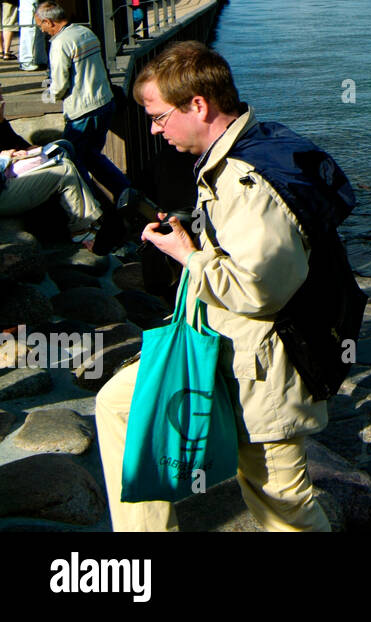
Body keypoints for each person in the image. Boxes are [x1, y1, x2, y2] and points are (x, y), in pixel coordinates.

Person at [95, 41, 332, 531]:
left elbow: (261, 290)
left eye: (159, 117)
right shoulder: (231, 158)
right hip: (214, 347)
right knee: (119, 405)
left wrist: (188, 257)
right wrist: (191, 240)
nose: (156, 130)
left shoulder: (247, 181)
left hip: (259, 365)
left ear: (198, 106)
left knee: (282, 504)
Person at [35, 1, 130, 200]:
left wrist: (49, 94)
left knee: (73, 161)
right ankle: (125, 191)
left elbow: (60, 85)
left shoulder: (60, 43)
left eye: (40, 25)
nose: (42, 30)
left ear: (49, 21)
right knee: (92, 156)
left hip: (82, 110)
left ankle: (92, 204)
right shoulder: (85, 32)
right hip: (104, 102)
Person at [0, 86, 102, 238]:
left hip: (8, 177)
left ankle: (93, 221)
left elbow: (14, 140)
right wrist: (4, 158)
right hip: (3, 189)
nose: (3, 101)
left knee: (63, 149)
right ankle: (84, 228)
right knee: (65, 172)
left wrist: (27, 149)